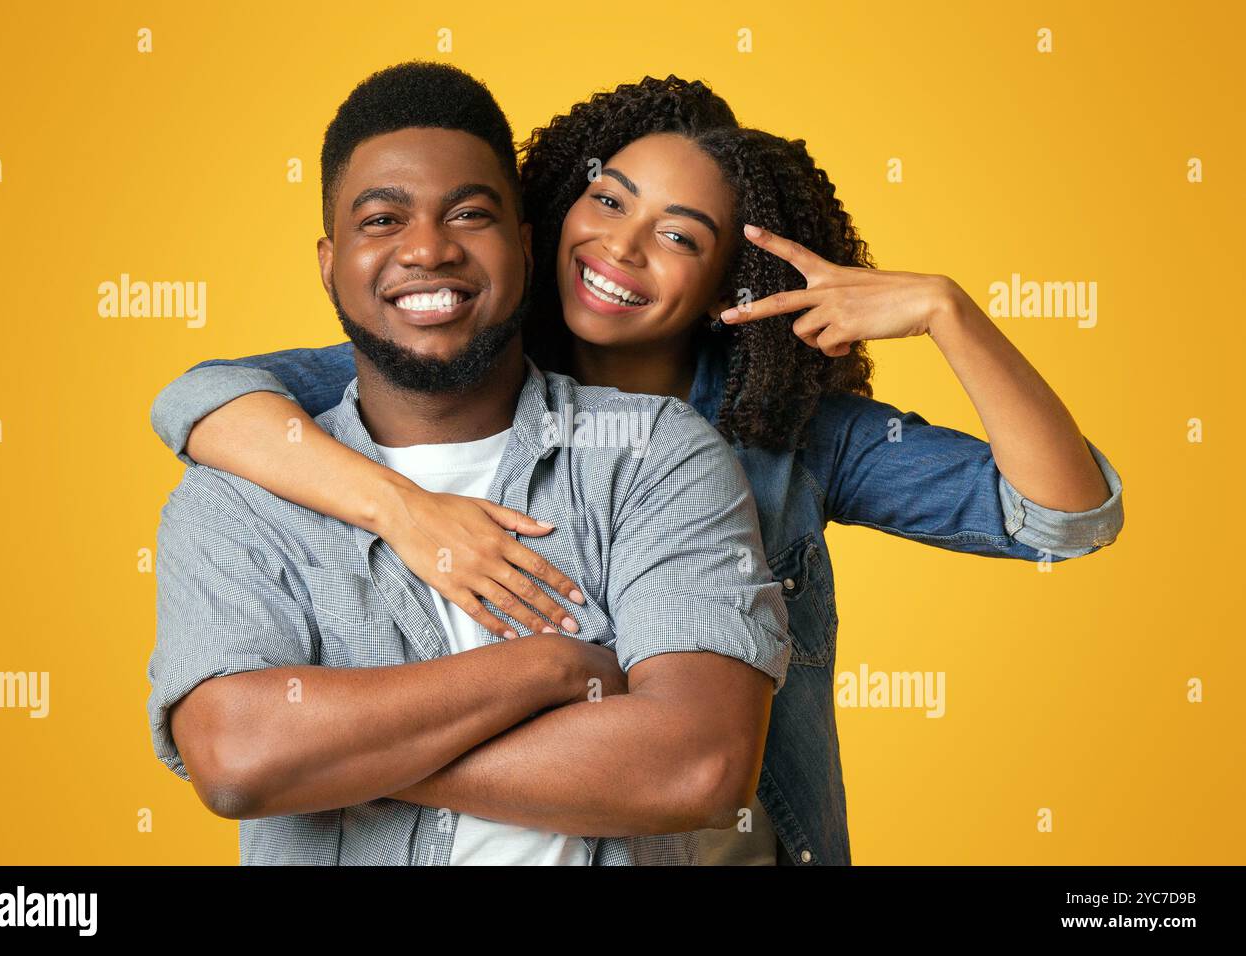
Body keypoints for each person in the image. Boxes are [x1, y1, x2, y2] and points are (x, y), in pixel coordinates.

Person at [151, 71, 1125, 866]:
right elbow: (202, 402)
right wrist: (404, 510)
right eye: (607, 201)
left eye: (678, 235)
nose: (620, 246)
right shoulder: (442, 351)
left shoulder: (780, 431)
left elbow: (1061, 514)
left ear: (728, 283)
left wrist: (949, 313)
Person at [146, 62, 792, 866]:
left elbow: (694, 768)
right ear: (328, 262)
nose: (427, 248)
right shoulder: (241, 491)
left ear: (523, 247)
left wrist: (330, 757)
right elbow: (238, 760)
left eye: (469, 213)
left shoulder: (652, 456)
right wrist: (549, 667)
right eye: (382, 219)